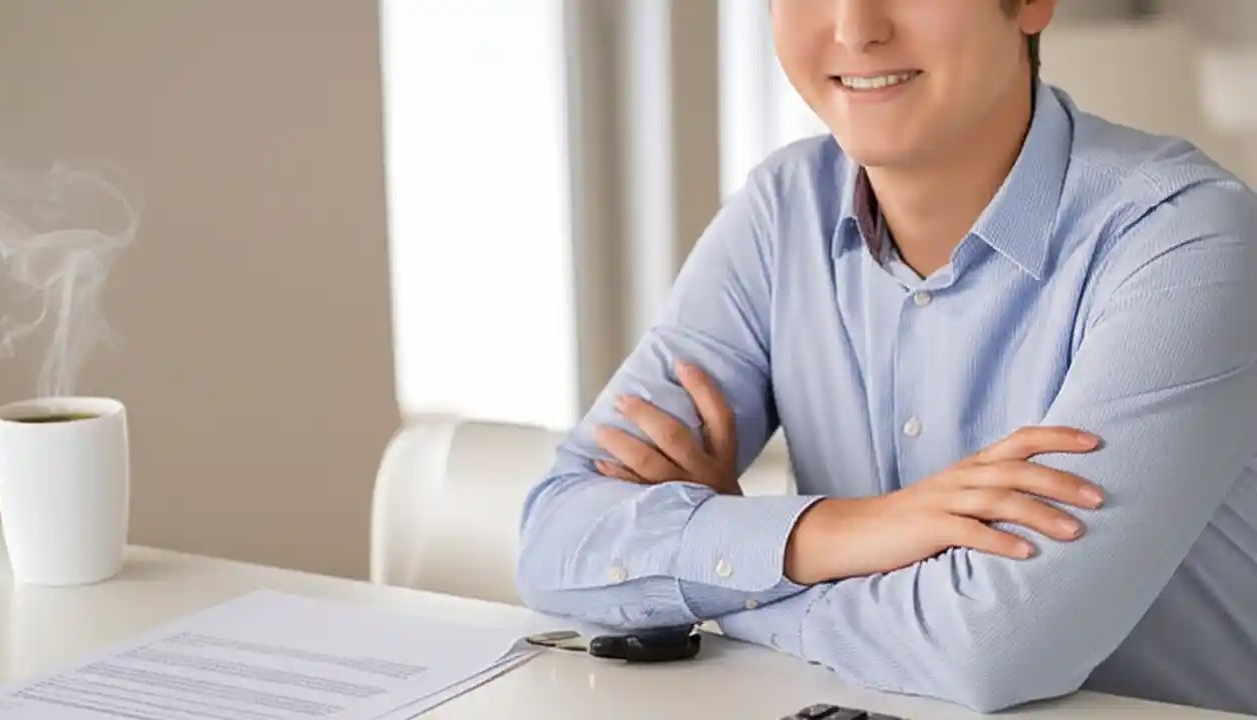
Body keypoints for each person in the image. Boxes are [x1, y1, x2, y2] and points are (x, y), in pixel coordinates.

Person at [515, 0, 1257, 713]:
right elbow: (556, 541)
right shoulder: (784, 211)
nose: (855, 26)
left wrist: (734, 572)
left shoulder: (1189, 242)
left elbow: (992, 646)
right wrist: (842, 531)